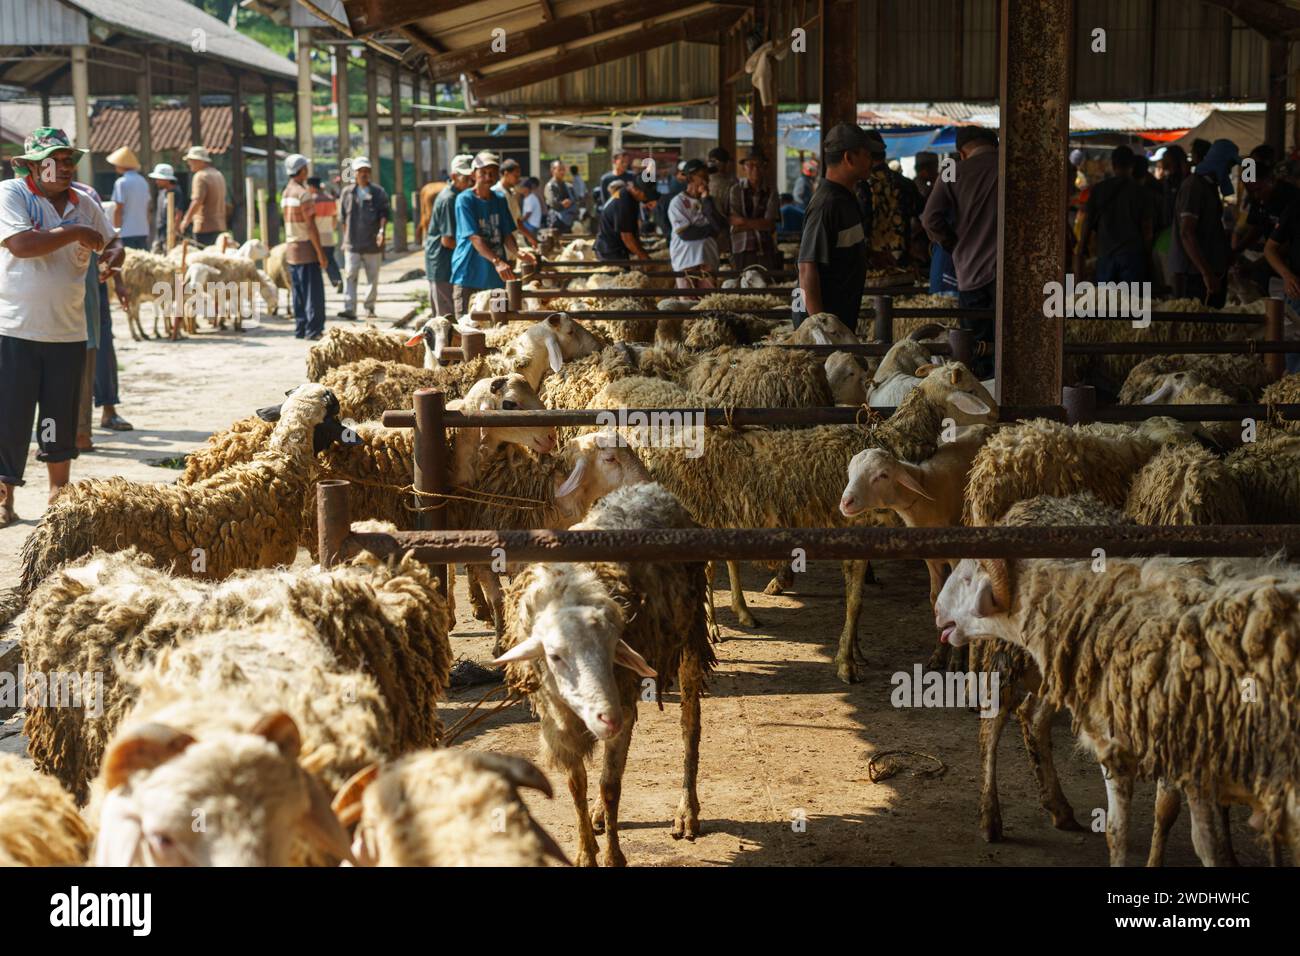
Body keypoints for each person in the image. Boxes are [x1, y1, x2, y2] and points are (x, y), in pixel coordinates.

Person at [0, 127, 120, 526]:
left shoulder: (84, 202)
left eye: (70, 159)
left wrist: (111, 260)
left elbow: (112, 242)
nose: (67, 166)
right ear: (35, 166)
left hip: (68, 330)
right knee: (10, 417)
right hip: (16, 328)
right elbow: (21, 245)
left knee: (56, 417)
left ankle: (57, 495)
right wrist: (76, 233)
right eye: (58, 160)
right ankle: (5, 498)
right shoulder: (12, 195)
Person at [921, 126, 1000, 376]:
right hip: (1010, 277)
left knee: (974, 347)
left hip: (971, 272)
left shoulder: (953, 171)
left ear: (962, 153)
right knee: (1011, 343)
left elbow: (930, 219)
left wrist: (954, 245)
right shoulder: (1010, 166)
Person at [796, 123, 873, 331]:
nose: (871, 161)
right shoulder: (827, 204)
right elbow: (806, 267)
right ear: (849, 158)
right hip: (822, 328)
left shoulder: (846, 198)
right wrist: (821, 328)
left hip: (840, 320)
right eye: (866, 155)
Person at [450, 151, 532, 316]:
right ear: (474, 175)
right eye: (483, 173)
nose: (488, 177)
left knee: (498, 322)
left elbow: (507, 234)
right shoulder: (464, 200)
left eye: (492, 173)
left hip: (495, 277)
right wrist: (497, 261)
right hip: (469, 275)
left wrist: (518, 253)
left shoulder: (499, 199)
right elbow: (473, 237)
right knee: (467, 326)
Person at [1168, 138, 1238, 307]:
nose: (1229, 171)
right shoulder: (1194, 187)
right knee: (1195, 325)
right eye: (1228, 166)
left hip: (1206, 271)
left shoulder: (1209, 186)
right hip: (1194, 274)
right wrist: (1206, 273)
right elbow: (1186, 233)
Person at [1076, 145, 1152, 283]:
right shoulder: (1141, 192)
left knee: (1106, 301)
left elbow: (1087, 221)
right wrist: (1147, 255)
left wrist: (1081, 249)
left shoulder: (1099, 190)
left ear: (1113, 164)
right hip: (1132, 257)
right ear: (1132, 165)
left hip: (1105, 255)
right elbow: (1146, 228)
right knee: (1131, 302)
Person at [280, 153, 329, 340]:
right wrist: (320, 253)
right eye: (305, 168)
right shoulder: (304, 194)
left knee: (298, 293)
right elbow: (310, 226)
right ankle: (313, 330)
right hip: (306, 249)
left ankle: (300, 329)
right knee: (313, 293)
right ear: (301, 171)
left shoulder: (285, 193)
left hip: (291, 250)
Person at [338, 156, 389, 320]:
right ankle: (349, 308)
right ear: (354, 173)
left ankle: (369, 308)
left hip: (372, 243)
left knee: (372, 278)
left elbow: (384, 214)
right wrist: (345, 240)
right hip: (352, 243)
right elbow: (343, 218)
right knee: (350, 276)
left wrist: (381, 231)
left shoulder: (378, 192)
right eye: (361, 171)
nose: (364, 174)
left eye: (367, 171)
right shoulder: (347, 192)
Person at [426, 153, 473, 317]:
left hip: (449, 261)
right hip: (443, 261)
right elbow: (447, 240)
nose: (470, 182)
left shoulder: (460, 196)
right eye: (465, 178)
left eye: (471, 177)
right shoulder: (449, 200)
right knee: (446, 317)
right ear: (454, 176)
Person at [669, 159, 728, 285]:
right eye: (702, 175)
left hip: (708, 259)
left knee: (708, 302)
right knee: (686, 302)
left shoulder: (711, 201)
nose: (706, 179)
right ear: (690, 177)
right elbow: (685, 233)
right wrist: (711, 230)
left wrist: (706, 199)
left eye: (707, 175)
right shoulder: (677, 202)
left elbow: (720, 226)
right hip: (685, 261)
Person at [857, 130, 906, 267]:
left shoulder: (861, 185)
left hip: (872, 262)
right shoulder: (904, 183)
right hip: (903, 261)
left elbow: (862, 224)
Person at [1263, 200, 1300, 373]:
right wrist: (1287, 275)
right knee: (1295, 355)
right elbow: (1270, 249)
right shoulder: (1295, 208)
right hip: (1297, 290)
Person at [727, 150, 779, 271]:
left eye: (759, 165)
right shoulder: (735, 190)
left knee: (767, 284)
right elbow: (733, 219)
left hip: (766, 247)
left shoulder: (771, 191)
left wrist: (743, 223)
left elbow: (770, 223)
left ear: (764, 168)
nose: (755, 169)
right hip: (741, 246)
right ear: (744, 168)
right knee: (744, 284)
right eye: (750, 165)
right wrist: (760, 223)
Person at [178, 145, 227, 245]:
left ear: (199, 160)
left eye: (190, 160)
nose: (188, 163)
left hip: (204, 226)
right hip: (220, 225)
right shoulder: (218, 174)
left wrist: (186, 220)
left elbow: (197, 200)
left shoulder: (200, 176)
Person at [595, 178, 653, 261]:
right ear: (636, 190)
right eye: (646, 195)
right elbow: (626, 237)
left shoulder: (627, 195)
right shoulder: (624, 201)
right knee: (622, 273)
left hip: (614, 247)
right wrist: (644, 257)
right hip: (610, 250)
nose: (647, 198)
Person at [107, 146, 149, 250]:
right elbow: (147, 207)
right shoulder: (143, 181)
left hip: (126, 232)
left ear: (120, 165)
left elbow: (119, 209)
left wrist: (116, 231)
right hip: (142, 230)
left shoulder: (121, 182)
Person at [307, 176, 342, 290]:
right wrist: (331, 228)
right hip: (329, 235)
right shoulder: (330, 199)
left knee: (315, 263)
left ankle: (316, 286)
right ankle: (337, 280)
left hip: (316, 236)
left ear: (312, 187)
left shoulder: (311, 200)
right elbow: (335, 217)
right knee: (330, 260)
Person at [146, 163, 185, 254]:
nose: (157, 182)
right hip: (160, 233)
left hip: (169, 233)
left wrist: (174, 231)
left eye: (159, 179)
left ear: (167, 179)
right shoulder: (162, 193)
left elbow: (179, 213)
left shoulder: (176, 192)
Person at [706, 146, 737, 259]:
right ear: (724, 163)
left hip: (704, 234)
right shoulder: (730, 184)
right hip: (723, 233)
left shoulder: (702, 181)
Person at [656, 161, 688, 238]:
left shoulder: (676, 181)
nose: (664, 170)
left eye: (665, 168)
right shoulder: (656, 181)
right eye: (662, 169)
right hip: (663, 208)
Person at [543, 161, 576, 232]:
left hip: (568, 221)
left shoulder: (568, 186)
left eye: (563, 170)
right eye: (559, 170)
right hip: (555, 220)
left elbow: (574, 200)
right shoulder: (550, 186)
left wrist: (570, 202)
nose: (562, 172)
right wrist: (562, 204)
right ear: (552, 171)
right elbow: (552, 203)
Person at [519, 176, 545, 244]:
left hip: (532, 226)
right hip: (529, 225)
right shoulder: (527, 198)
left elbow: (527, 214)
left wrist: (518, 223)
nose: (519, 189)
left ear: (526, 189)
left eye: (521, 187)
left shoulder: (531, 198)